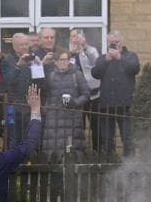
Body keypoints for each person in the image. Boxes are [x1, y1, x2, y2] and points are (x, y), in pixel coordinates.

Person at [91, 30, 140, 158]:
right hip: (106, 105)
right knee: (106, 140)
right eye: (112, 43)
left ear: (122, 42)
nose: (114, 45)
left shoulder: (130, 56)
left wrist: (119, 57)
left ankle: (130, 167)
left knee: (128, 139)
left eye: (117, 42)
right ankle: (109, 166)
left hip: (125, 105)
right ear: (108, 43)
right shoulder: (102, 58)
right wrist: (107, 60)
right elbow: (95, 73)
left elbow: (135, 68)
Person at [42, 49, 89, 154]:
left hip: (72, 117)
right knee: (53, 147)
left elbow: (86, 94)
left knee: (71, 147)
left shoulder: (77, 74)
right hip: (53, 118)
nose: (63, 62)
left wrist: (75, 103)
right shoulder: (50, 75)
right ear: (55, 61)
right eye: (60, 59)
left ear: (69, 60)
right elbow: (44, 93)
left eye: (65, 59)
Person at [68, 29, 102, 152]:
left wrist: (84, 47)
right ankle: (79, 153)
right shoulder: (68, 54)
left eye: (78, 36)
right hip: (77, 96)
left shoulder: (91, 50)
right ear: (70, 39)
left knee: (96, 126)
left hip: (93, 94)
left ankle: (98, 152)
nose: (75, 38)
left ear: (83, 37)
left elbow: (97, 65)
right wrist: (71, 54)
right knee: (77, 127)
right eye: (73, 36)